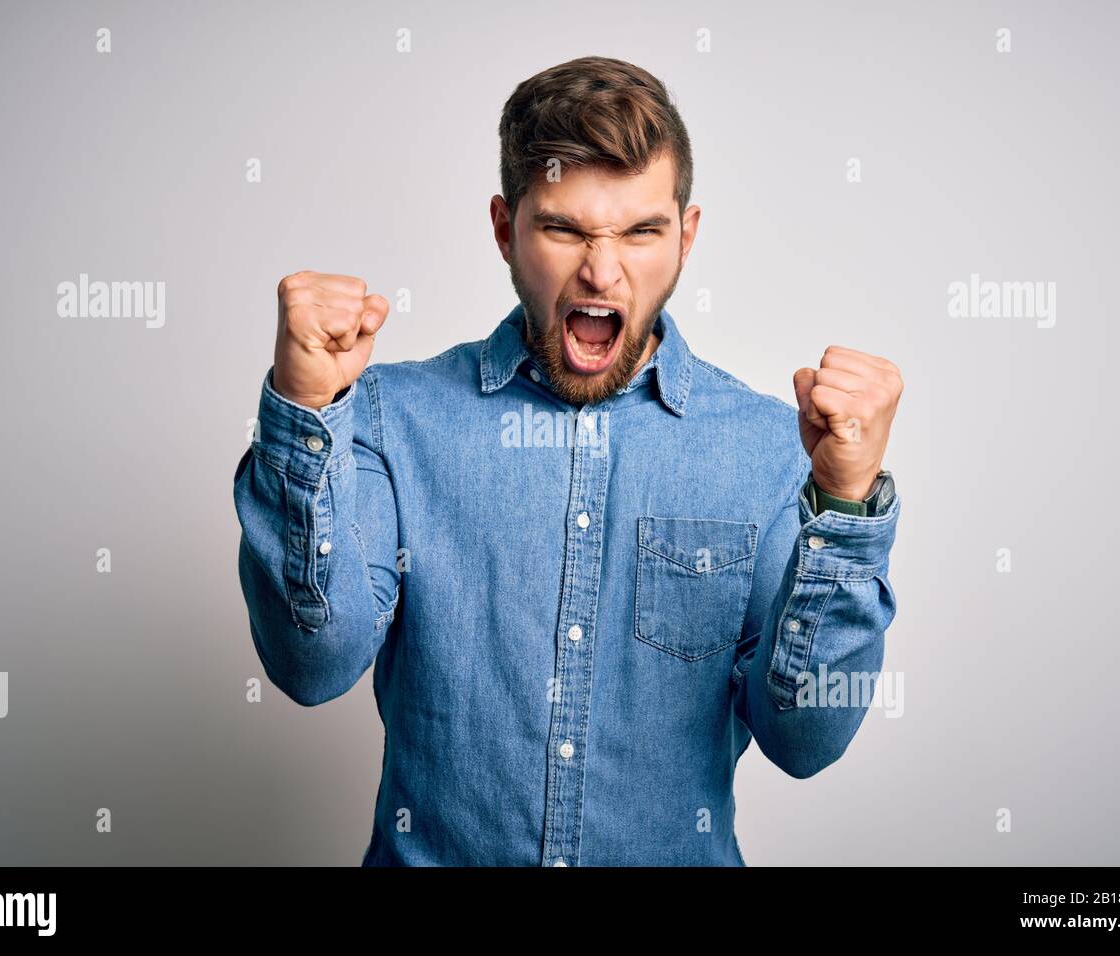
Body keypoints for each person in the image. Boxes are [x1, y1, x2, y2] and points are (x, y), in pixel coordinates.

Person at [232, 55, 903, 866]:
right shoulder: (388, 416)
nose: (602, 269)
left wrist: (845, 507)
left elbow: (806, 741)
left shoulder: (770, 449)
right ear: (503, 227)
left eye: (641, 231)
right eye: (564, 228)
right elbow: (312, 665)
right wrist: (305, 414)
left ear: (685, 238)